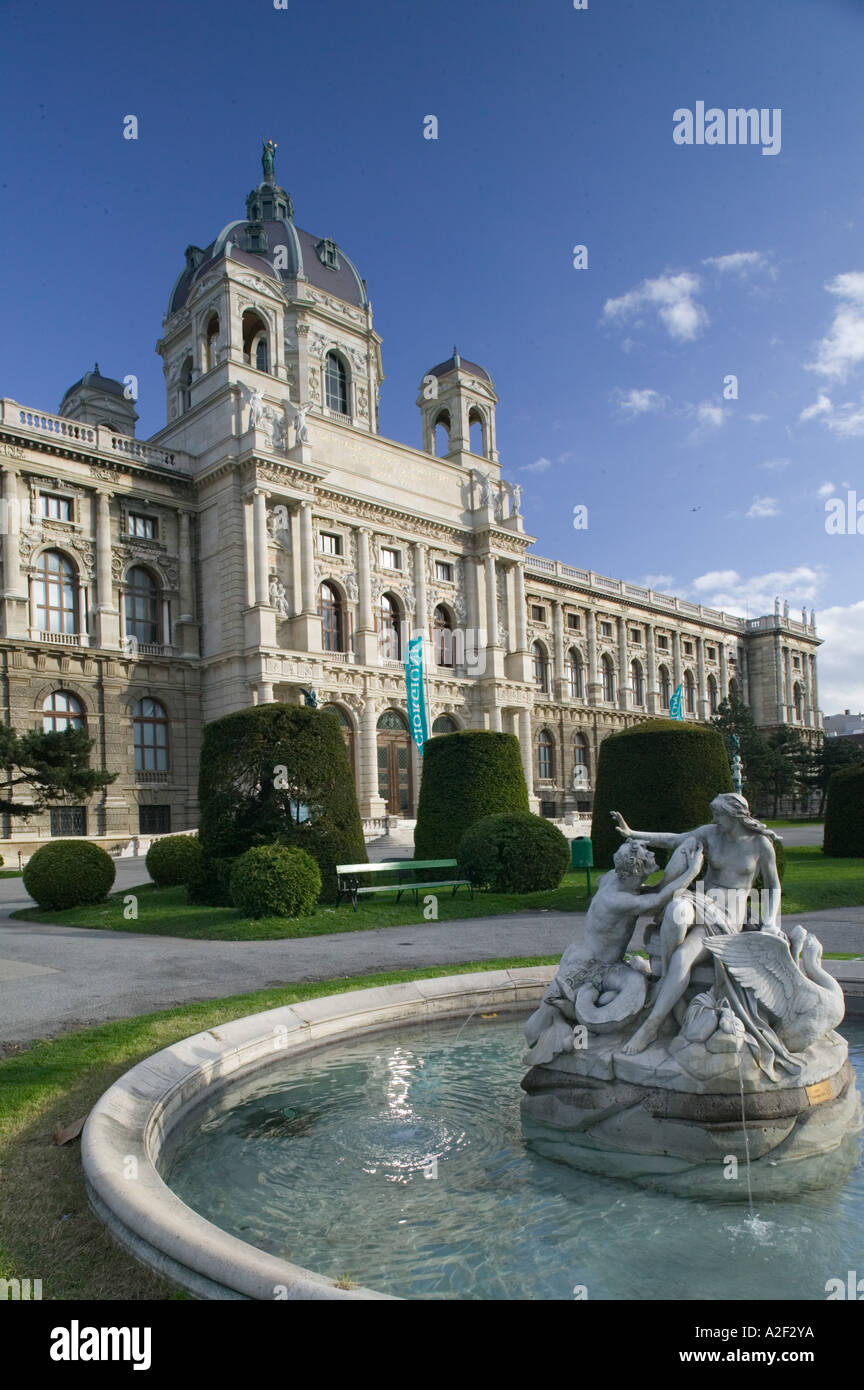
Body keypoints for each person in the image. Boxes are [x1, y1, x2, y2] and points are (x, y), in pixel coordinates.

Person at [612, 793, 783, 1054]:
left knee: (684, 958)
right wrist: (632, 833)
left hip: (729, 914)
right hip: (702, 900)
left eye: (718, 815)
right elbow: (674, 840)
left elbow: (773, 887)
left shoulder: (760, 845)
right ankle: (667, 984)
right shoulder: (711, 833)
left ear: (734, 816)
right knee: (676, 908)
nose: (714, 820)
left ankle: (651, 1025)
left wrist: (770, 922)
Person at [524, 836, 703, 1063]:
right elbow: (657, 900)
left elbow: (655, 889)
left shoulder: (613, 878)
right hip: (587, 967)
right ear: (638, 870)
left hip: (602, 962)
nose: (652, 862)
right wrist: (692, 872)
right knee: (538, 1025)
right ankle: (570, 1044)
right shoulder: (616, 899)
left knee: (635, 984)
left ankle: (577, 1039)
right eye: (648, 861)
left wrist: (636, 839)